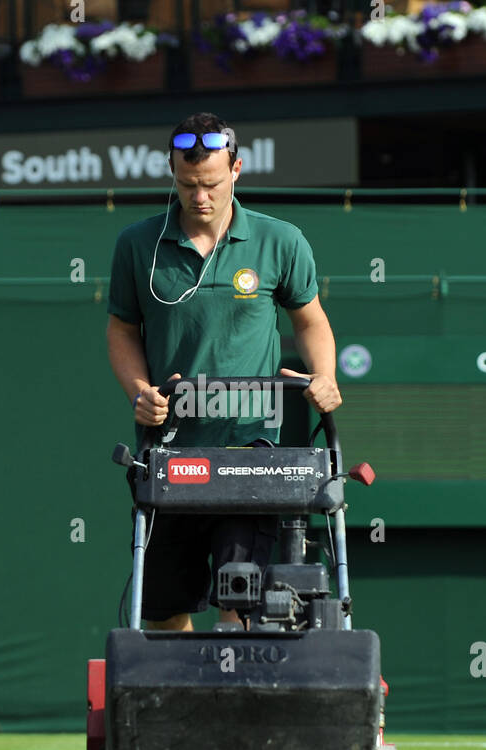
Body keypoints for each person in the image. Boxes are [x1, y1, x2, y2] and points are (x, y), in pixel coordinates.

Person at [105, 111, 342, 631]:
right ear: (171, 172)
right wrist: (139, 391)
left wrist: (323, 375)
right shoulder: (137, 245)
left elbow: (311, 319)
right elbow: (121, 329)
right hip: (166, 456)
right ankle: (177, 704)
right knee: (163, 609)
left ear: (236, 169)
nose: (200, 196)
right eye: (187, 184)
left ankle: (231, 703)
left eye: (211, 183)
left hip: (248, 455)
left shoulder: (281, 241)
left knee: (240, 604)